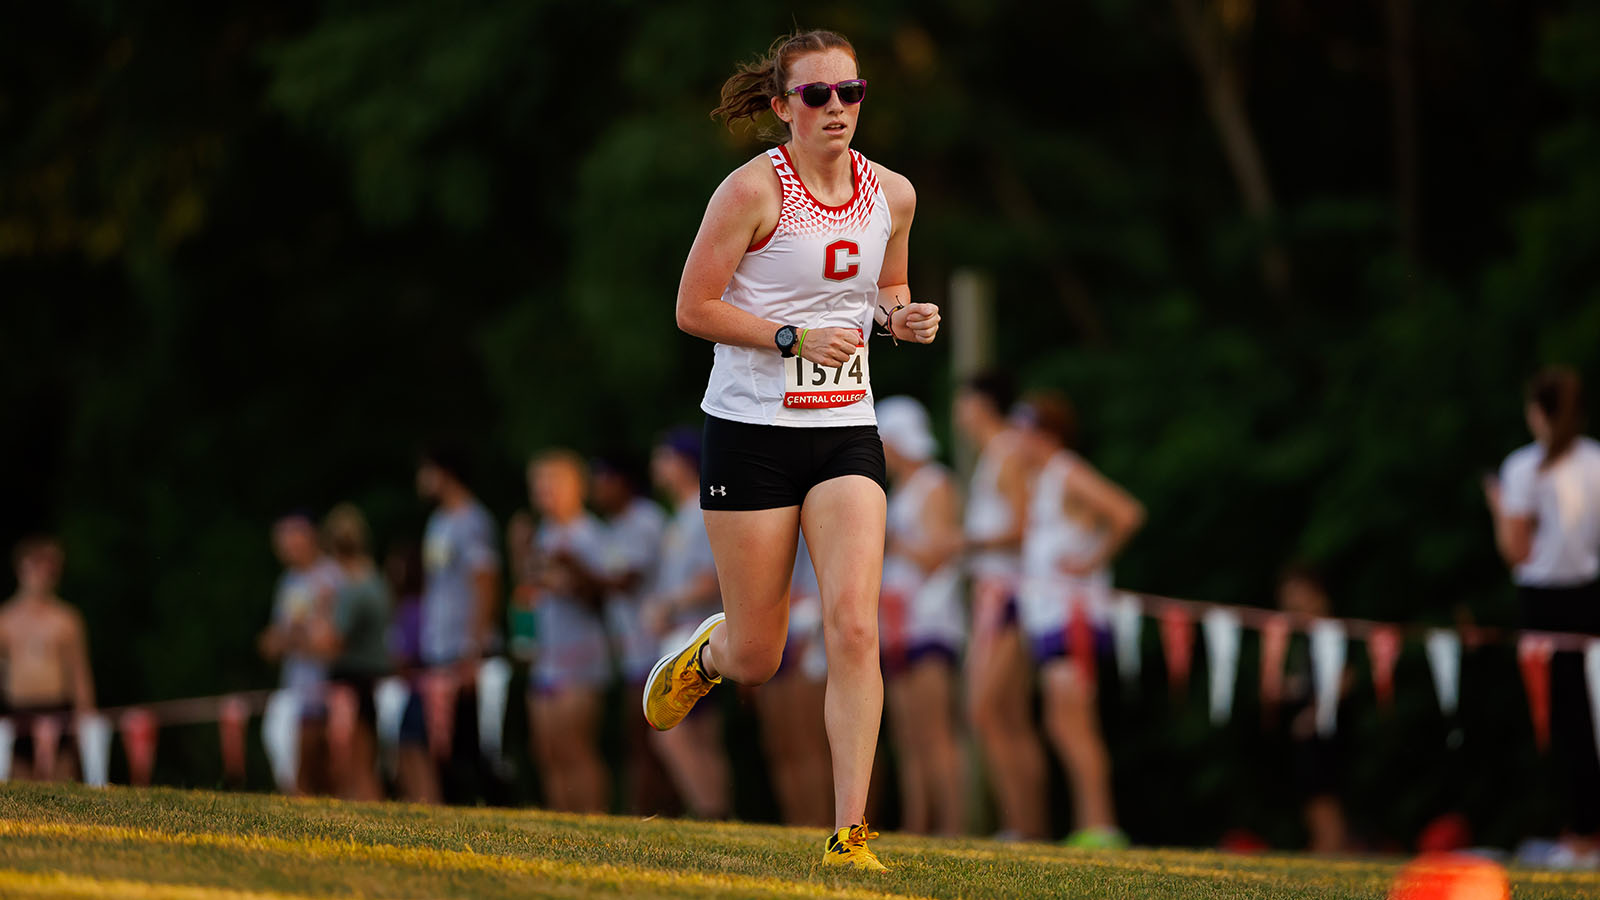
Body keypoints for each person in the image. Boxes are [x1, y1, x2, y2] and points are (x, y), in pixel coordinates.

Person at [643, 28, 940, 871]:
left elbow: (884, 292)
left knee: (853, 626)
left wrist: (901, 321)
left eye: (852, 92)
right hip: (749, 433)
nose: (838, 108)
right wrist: (789, 335)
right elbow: (693, 307)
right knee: (761, 656)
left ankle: (849, 835)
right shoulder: (747, 192)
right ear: (783, 107)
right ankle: (710, 651)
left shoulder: (895, 195)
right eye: (818, 95)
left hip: (846, 428)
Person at [1013, 391, 1144, 847]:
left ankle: (1100, 826)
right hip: (1052, 618)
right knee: (1060, 722)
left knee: (1075, 725)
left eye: (1025, 430)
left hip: (1075, 617)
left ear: (1046, 434)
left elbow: (1126, 513)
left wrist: (1090, 562)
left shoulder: (1066, 470)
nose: (1019, 440)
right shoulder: (1043, 479)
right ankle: (1090, 824)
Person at [1485, 365, 1600, 855]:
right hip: (1593, 594)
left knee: (1565, 719)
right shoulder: (1597, 460)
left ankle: (1583, 833)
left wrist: (1496, 506)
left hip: (1546, 602)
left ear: (1538, 412)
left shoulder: (1523, 468)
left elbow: (1516, 550)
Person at [955, 369, 1046, 840]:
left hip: (1008, 595)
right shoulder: (996, 453)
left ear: (980, 404)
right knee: (1008, 714)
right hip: (997, 595)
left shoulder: (1007, 452)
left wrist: (965, 542)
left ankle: (1022, 826)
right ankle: (1025, 826)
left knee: (988, 710)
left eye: (963, 402)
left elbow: (1024, 527)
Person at [876, 396, 967, 836]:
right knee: (908, 738)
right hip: (898, 623)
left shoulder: (936, 484)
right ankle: (918, 829)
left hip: (930, 621)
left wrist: (891, 543)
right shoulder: (902, 491)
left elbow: (936, 555)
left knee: (936, 733)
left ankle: (951, 827)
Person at [401, 445, 500, 804]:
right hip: (437, 649)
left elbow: (486, 584)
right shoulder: (438, 522)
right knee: (423, 739)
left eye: (426, 471)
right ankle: (431, 810)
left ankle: (472, 811)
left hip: (461, 653)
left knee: (456, 745)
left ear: (444, 473)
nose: (420, 480)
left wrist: (475, 650)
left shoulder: (472, 521)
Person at [642, 430, 732, 819]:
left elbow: (714, 577)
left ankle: (709, 810)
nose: (655, 465)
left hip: (695, 631)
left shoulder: (699, 512)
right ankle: (717, 812)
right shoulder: (681, 515)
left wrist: (668, 603)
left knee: (671, 731)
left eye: (663, 457)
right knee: (701, 734)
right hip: (687, 630)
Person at [524, 449, 614, 813]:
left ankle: (593, 823)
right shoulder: (541, 536)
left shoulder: (589, 534)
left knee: (576, 747)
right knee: (547, 750)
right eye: (539, 486)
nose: (544, 494)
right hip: (546, 655)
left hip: (581, 656)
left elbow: (603, 594)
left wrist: (571, 577)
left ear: (576, 488)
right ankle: (560, 824)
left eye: (552, 485)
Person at [591, 453, 676, 816]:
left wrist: (576, 573)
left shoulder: (645, 520)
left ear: (622, 481)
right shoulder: (614, 526)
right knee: (638, 740)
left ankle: (651, 814)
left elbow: (627, 580)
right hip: (632, 650)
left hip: (653, 649)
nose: (596, 488)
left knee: (649, 740)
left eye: (602, 479)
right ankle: (645, 811)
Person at [257, 513, 342, 795]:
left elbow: (333, 641)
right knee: (297, 769)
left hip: (329, 688)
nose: (285, 548)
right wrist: (292, 638)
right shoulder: (288, 583)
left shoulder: (332, 577)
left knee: (327, 769)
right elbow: (270, 643)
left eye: (291, 540)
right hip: (296, 689)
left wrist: (292, 638)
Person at [0, 536, 95, 781]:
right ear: (21, 567)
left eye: (49, 568)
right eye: (36, 565)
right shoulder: (5, 619)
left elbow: (79, 673)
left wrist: (86, 721)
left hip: (57, 713)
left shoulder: (66, 619)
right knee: (16, 793)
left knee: (61, 787)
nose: (42, 574)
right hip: (17, 715)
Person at [314, 504, 392, 802]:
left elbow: (332, 642)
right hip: (372, 676)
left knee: (353, 762)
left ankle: (367, 820)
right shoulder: (375, 580)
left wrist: (320, 610)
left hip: (353, 678)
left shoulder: (351, 588)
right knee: (363, 760)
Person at [756, 535, 834, 828]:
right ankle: (798, 824)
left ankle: (823, 824)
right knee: (781, 744)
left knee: (809, 743)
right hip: (774, 624)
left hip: (808, 626)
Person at [1273, 565, 1349, 854]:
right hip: (1314, 728)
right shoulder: (1305, 637)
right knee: (1312, 795)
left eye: (1296, 594)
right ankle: (1324, 847)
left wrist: (1315, 715)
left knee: (1323, 797)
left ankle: (1330, 850)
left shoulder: (1331, 633)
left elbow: (1344, 679)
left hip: (1325, 729)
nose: (1290, 603)